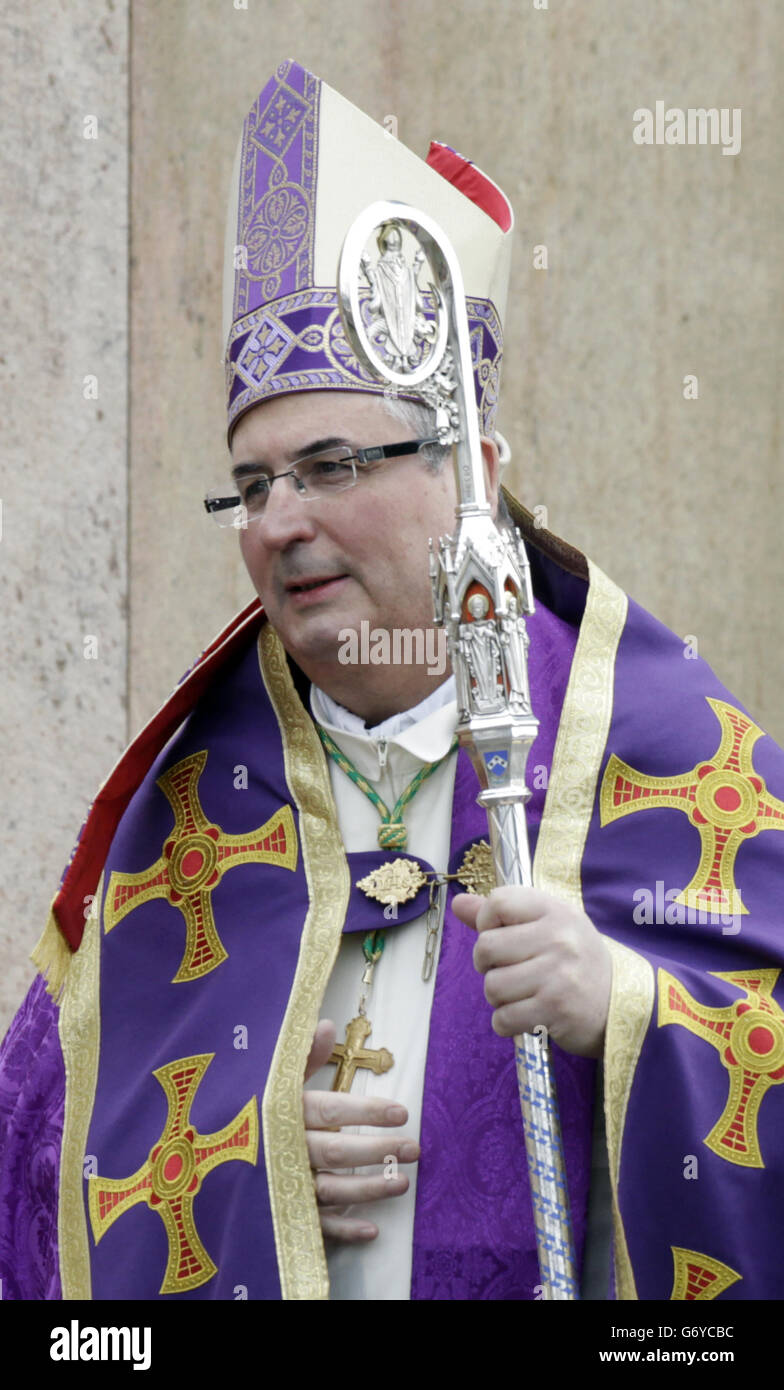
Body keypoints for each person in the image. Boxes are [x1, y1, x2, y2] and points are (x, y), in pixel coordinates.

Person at [2, 59, 783, 1303]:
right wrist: (233, 1174)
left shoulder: (666, 749)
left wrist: (628, 1009)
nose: (278, 523)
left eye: (325, 464)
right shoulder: (182, 821)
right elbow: (34, 1175)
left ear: (464, 463)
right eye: (251, 486)